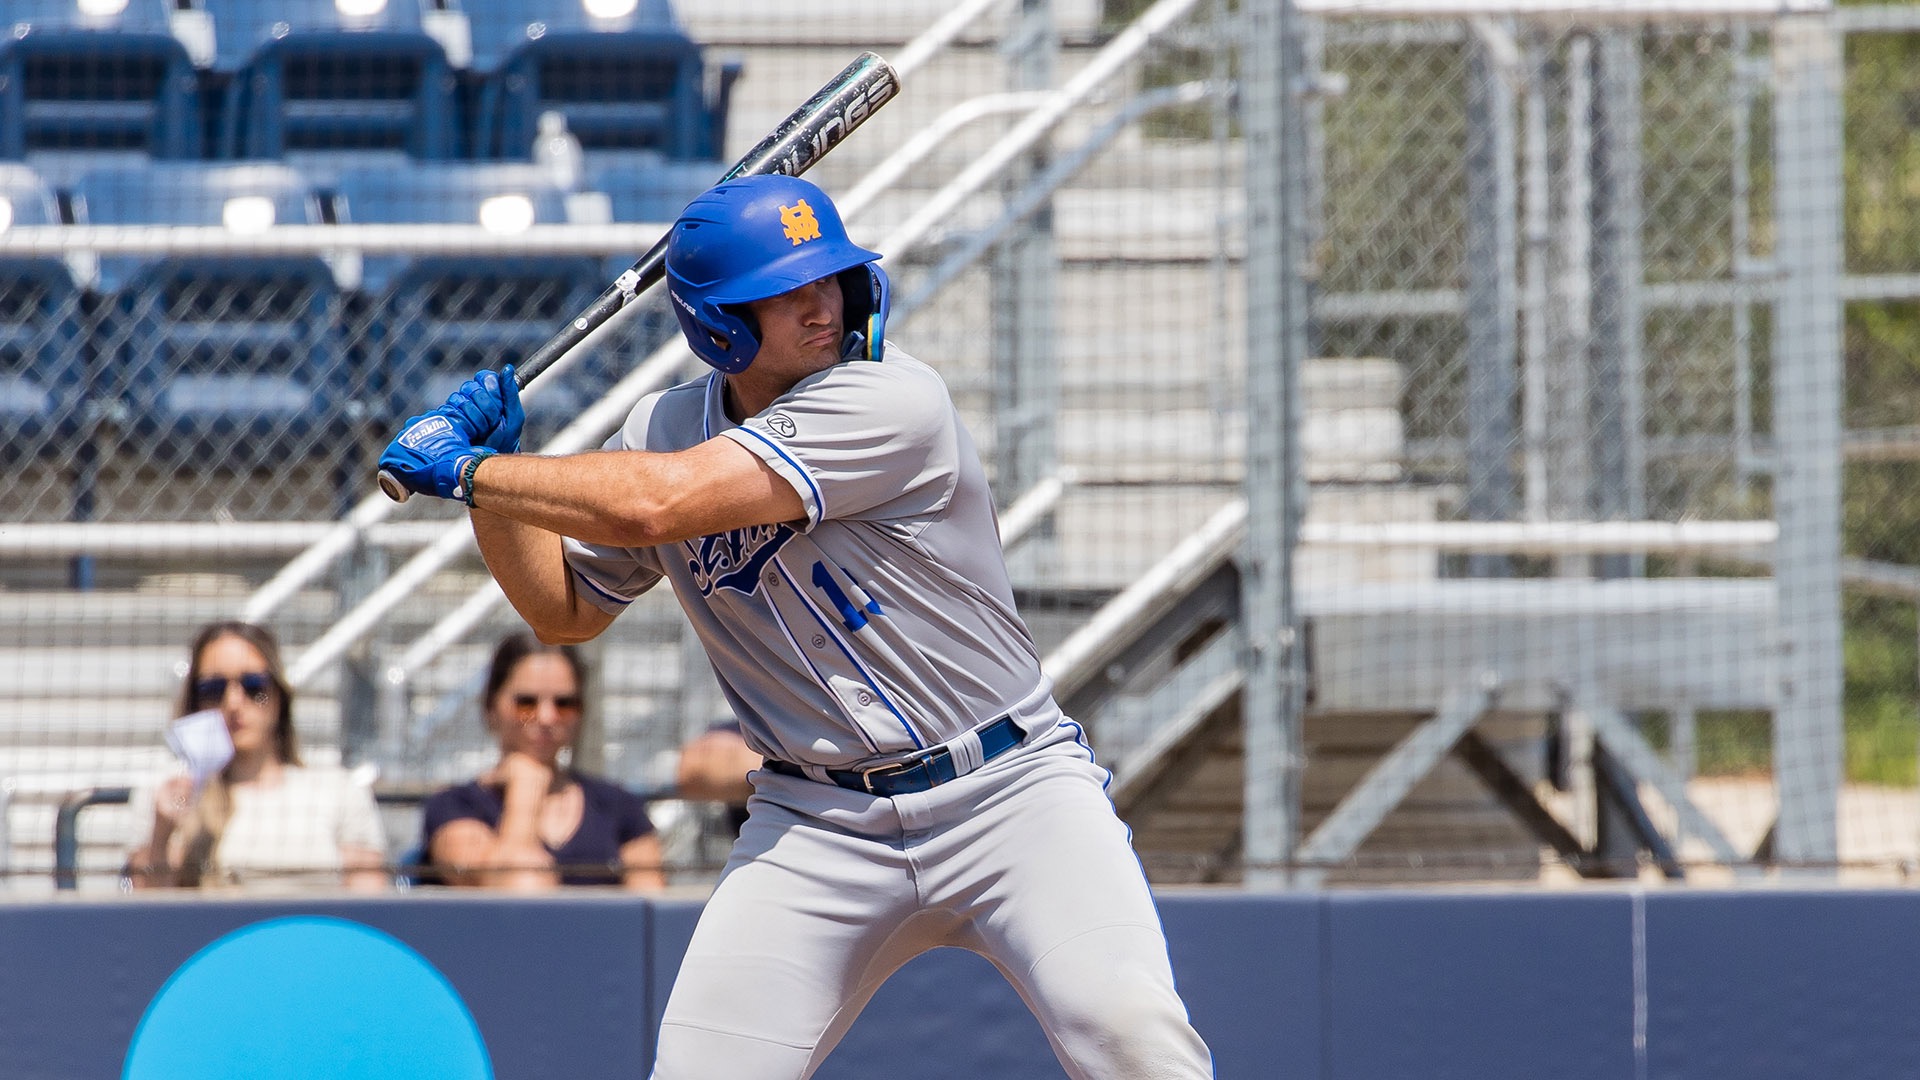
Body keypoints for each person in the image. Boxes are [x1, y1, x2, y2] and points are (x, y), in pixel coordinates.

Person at [379, 174, 1214, 1078]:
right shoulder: (662, 426)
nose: (822, 303)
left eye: (830, 277)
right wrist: (494, 485)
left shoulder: (893, 400)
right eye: (785, 290)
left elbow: (657, 507)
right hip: (816, 821)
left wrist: (468, 472)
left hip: (1008, 794)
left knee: (1133, 1035)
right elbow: (563, 612)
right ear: (719, 325)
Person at [125, 621, 388, 892]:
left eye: (253, 686)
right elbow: (148, 915)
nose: (233, 702)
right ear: (195, 701)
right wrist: (162, 833)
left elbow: (369, 907)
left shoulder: (338, 790)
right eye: (213, 688)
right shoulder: (167, 794)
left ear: (279, 694)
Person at [420, 632, 664, 891]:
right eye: (526, 703)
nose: (547, 718)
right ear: (491, 708)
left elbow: (650, 901)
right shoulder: (456, 806)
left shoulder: (619, 806)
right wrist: (525, 787)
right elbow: (510, 886)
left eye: (564, 704)